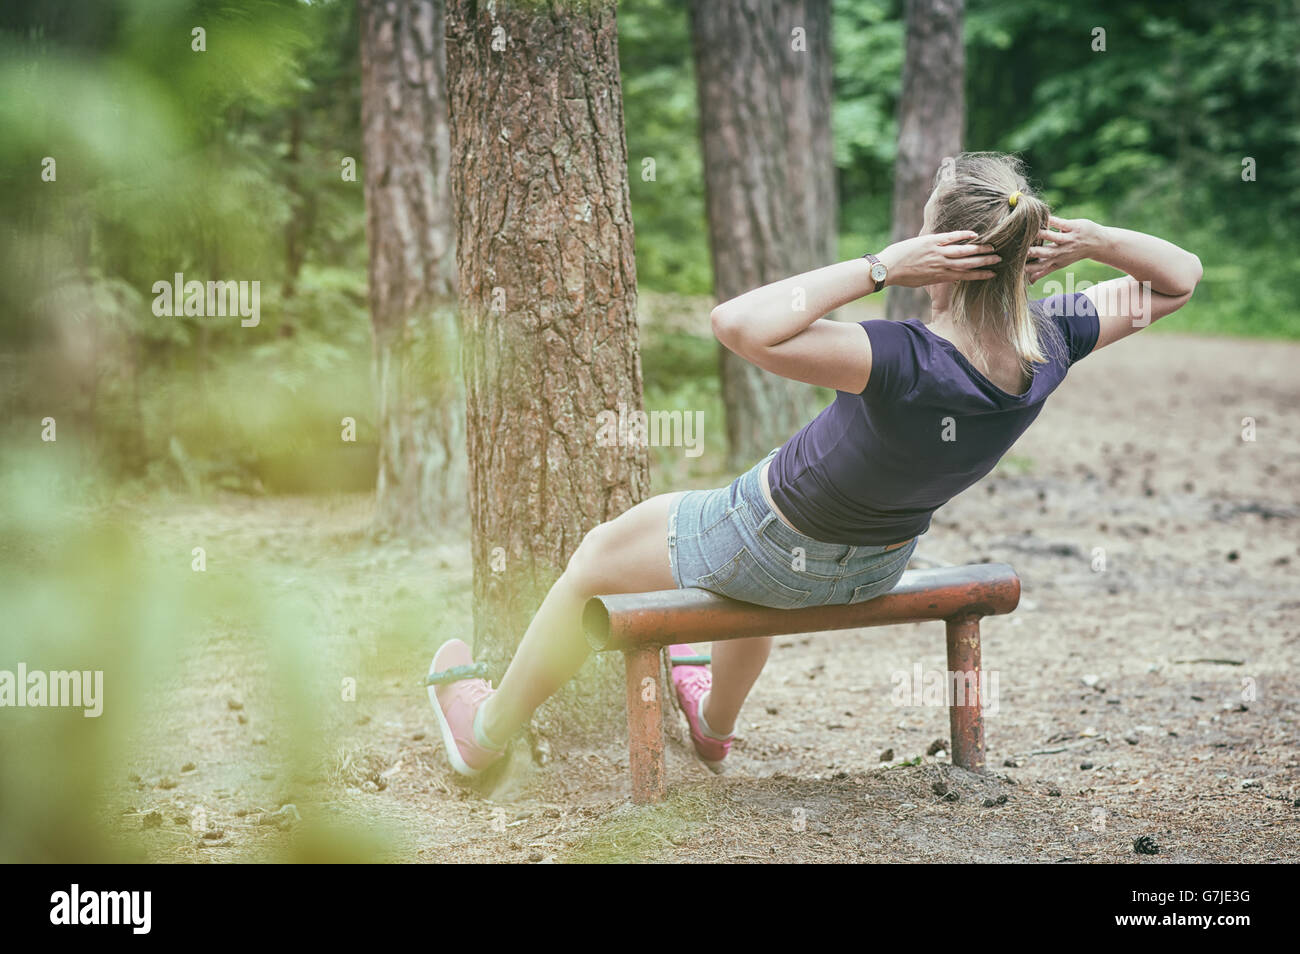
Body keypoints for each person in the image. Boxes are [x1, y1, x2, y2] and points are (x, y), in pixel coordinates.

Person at [427, 152, 1203, 777]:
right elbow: (1181, 277)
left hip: (765, 540)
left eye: (922, 237)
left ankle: (485, 733)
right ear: (1029, 257)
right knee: (748, 572)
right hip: (876, 568)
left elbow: (738, 324)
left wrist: (879, 265)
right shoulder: (1054, 342)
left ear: (939, 258)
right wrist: (1096, 238)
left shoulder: (902, 356)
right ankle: (712, 728)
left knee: (599, 555)